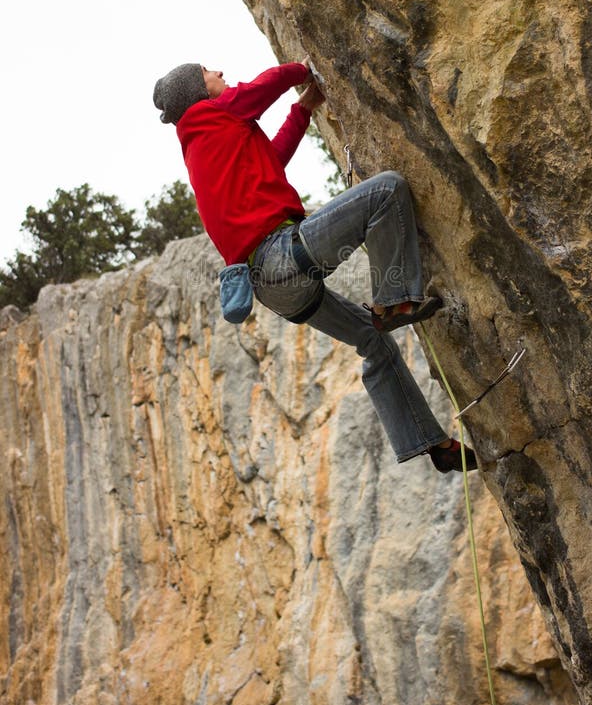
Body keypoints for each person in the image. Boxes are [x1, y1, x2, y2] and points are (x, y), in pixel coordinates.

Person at [153, 60, 476, 474]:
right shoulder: (209, 113)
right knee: (387, 189)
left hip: (276, 291)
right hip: (281, 256)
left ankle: (432, 444)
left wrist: (303, 108)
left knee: (373, 342)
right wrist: (299, 68)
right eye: (207, 70)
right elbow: (261, 88)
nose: (218, 69)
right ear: (198, 91)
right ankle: (394, 301)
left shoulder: (205, 140)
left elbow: (272, 159)